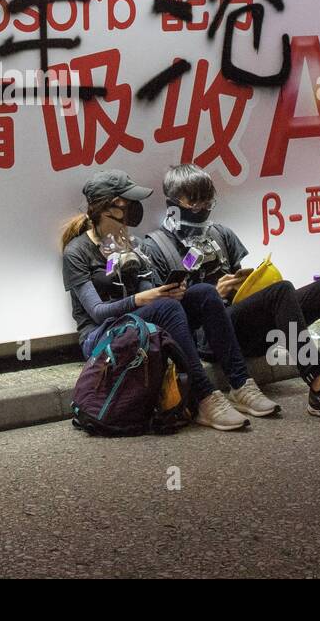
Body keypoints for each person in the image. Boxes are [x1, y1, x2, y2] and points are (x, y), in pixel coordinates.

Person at [142, 165, 320, 422]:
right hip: (208, 336)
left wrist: (247, 282)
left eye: (207, 201)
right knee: (280, 291)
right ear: (173, 203)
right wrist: (213, 294)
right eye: (193, 202)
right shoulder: (156, 247)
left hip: (246, 323)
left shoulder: (221, 234)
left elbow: (243, 287)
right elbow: (167, 311)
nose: (202, 208)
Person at [60, 169, 250, 431]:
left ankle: (242, 384)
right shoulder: (77, 252)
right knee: (166, 307)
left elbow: (150, 291)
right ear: (107, 207)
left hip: (138, 324)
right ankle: (205, 396)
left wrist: (167, 291)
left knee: (204, 293)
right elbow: (97, 312)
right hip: (100, 338)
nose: (134, 209)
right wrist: (143, 298)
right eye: (127, 203)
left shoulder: (135, 243)